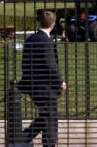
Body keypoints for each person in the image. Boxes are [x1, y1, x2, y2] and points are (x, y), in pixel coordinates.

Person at [19, 10, 67, 146]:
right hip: (46, 88)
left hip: (33, 86)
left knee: (45, 117)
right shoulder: (47, 41)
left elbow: (25, 64)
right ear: (53, 24)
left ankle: (24, 139)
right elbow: (50, 65)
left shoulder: (30, 39)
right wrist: (60, 82)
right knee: (49, 118)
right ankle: (25, 140)